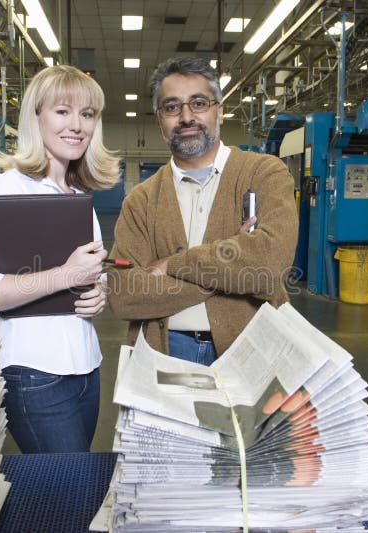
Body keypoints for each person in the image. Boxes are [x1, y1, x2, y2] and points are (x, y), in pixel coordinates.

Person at [0, 65, 119, 453]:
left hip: (87, 369)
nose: (76, 125)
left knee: (71, 485)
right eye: (63, 111)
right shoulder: (7, 187)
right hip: (34, 374)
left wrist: (99, 291)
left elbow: (88, 272)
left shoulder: (76, 193)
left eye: (87, 114)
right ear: (36, 117)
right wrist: (64, 275)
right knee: (70, 491)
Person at [107, 56, 299, 365]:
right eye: (171, 107)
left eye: (198, 103)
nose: (185, 117)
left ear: (220, 111)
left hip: (251, 346)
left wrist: (171, 264)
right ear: (159, 121)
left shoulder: (264, 173)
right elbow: (122, 294)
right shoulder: (141, 200)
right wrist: (231, 269)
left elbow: (268, 264)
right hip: (167, 349)